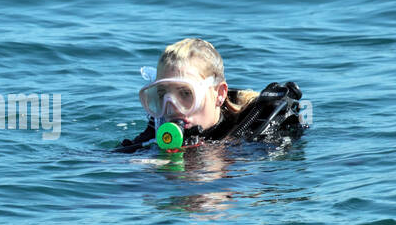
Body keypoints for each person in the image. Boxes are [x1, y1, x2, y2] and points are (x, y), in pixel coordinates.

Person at [116, 38, 303, 151]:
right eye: (162, 94)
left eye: (185, 93)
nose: (171, 107)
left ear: (219, 94)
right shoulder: (157, 131)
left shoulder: (255, 131)